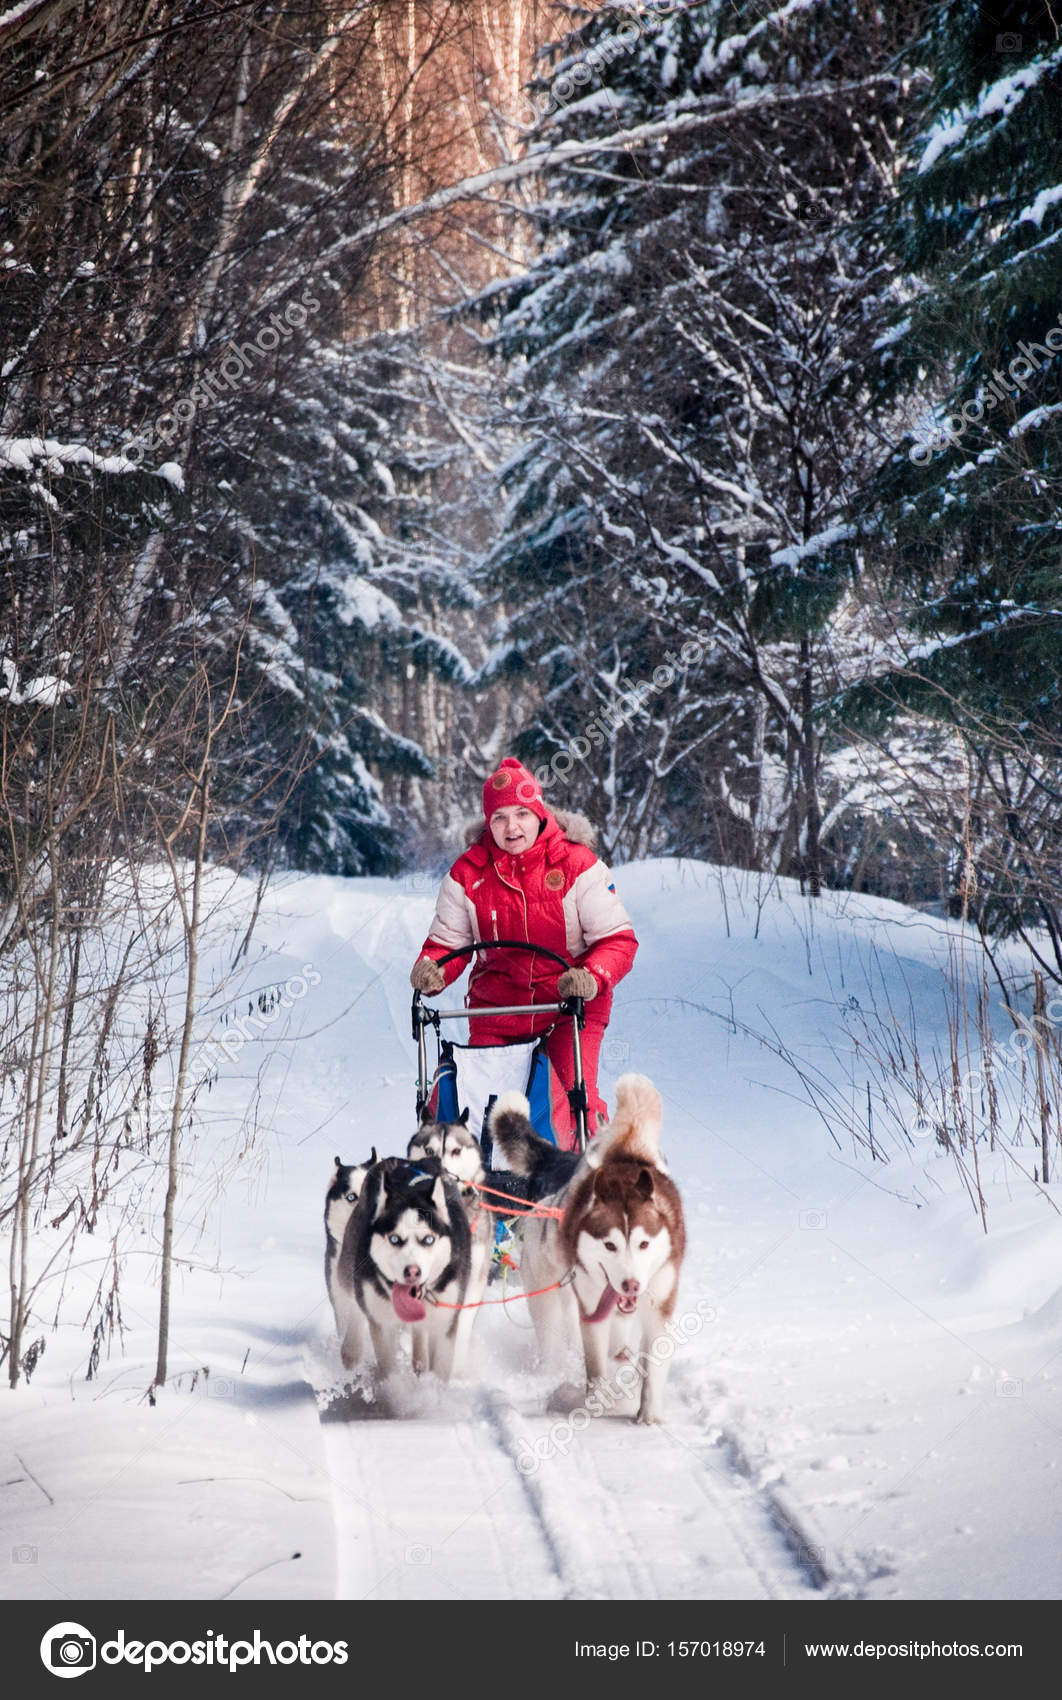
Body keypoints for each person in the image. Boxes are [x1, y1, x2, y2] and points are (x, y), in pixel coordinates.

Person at [409, 757, 638, 1147]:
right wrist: (433, 970)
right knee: (487, 1106)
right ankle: (492, 1189)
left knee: (569, 1098)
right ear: (487, 822)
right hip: (498, 1010)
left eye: (521, 813)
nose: (511, 827)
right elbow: (448, 942)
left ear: (539, 812)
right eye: (499, 817)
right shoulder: (468, 874)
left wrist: (591, 977)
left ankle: (586, 1171)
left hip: (568, 1005)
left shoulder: (578, 865)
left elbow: (617, 940)